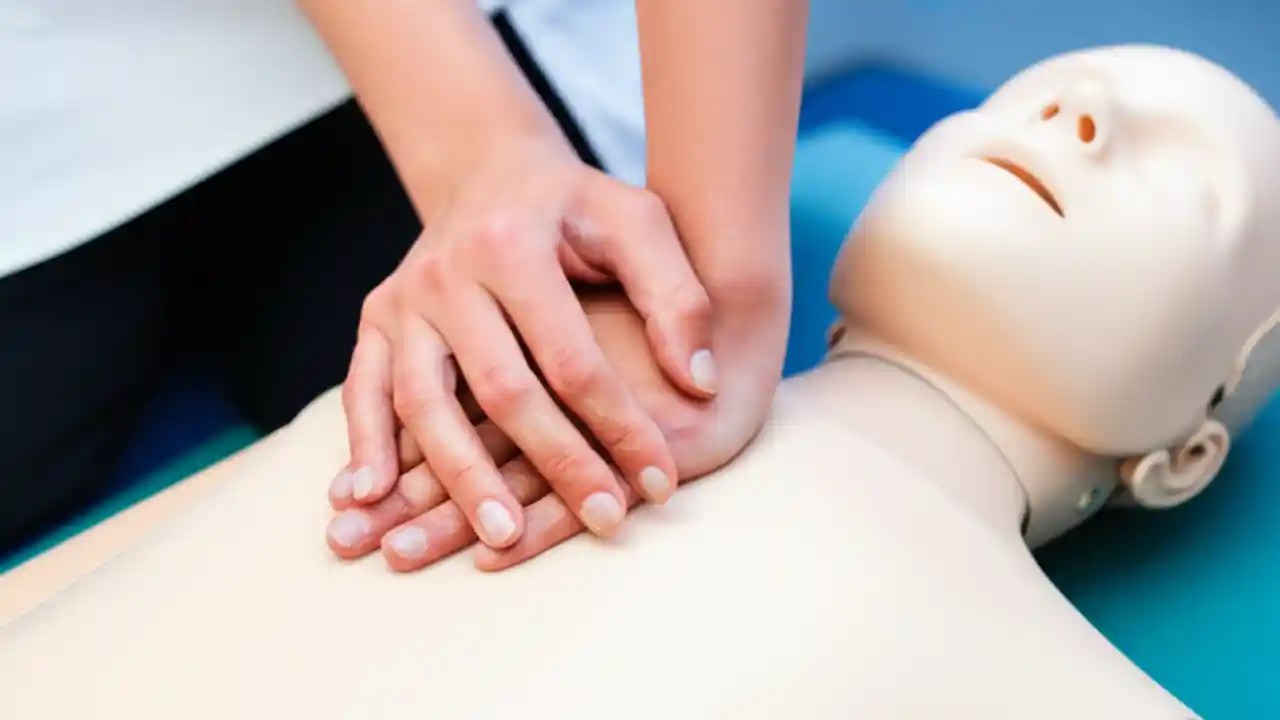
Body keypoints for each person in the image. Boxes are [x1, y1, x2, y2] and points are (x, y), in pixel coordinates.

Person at [3, 45, 1276, 718]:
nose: (1070, 123)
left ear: (1185, 454)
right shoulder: (459, 354)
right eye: (1037, 93)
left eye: (1182, 179)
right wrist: (486, 163)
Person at [0, 1, 804, 554]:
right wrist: (480, 167)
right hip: (40, 110)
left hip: (437, 45)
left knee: (511, 453)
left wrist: (722, 276)